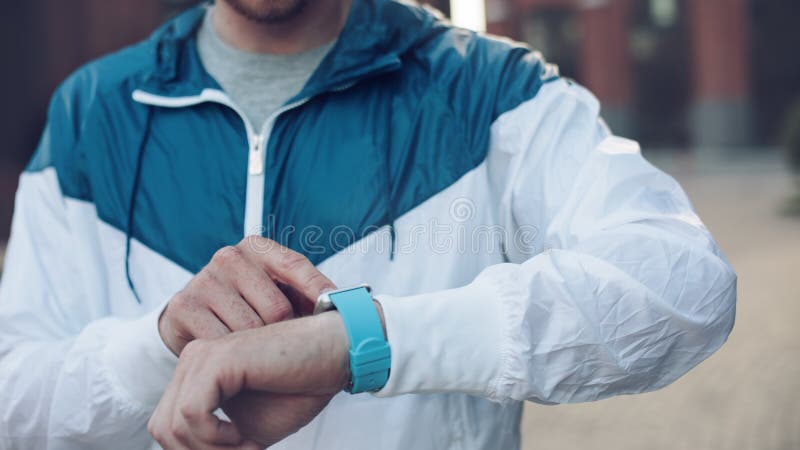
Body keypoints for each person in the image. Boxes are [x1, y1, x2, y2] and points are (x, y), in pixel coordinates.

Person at [0, 0, 737, 449]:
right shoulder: (89, 113)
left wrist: (365, 342)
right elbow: (13, 401)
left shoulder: (492, 89)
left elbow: (681, 283)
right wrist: (157, 346)